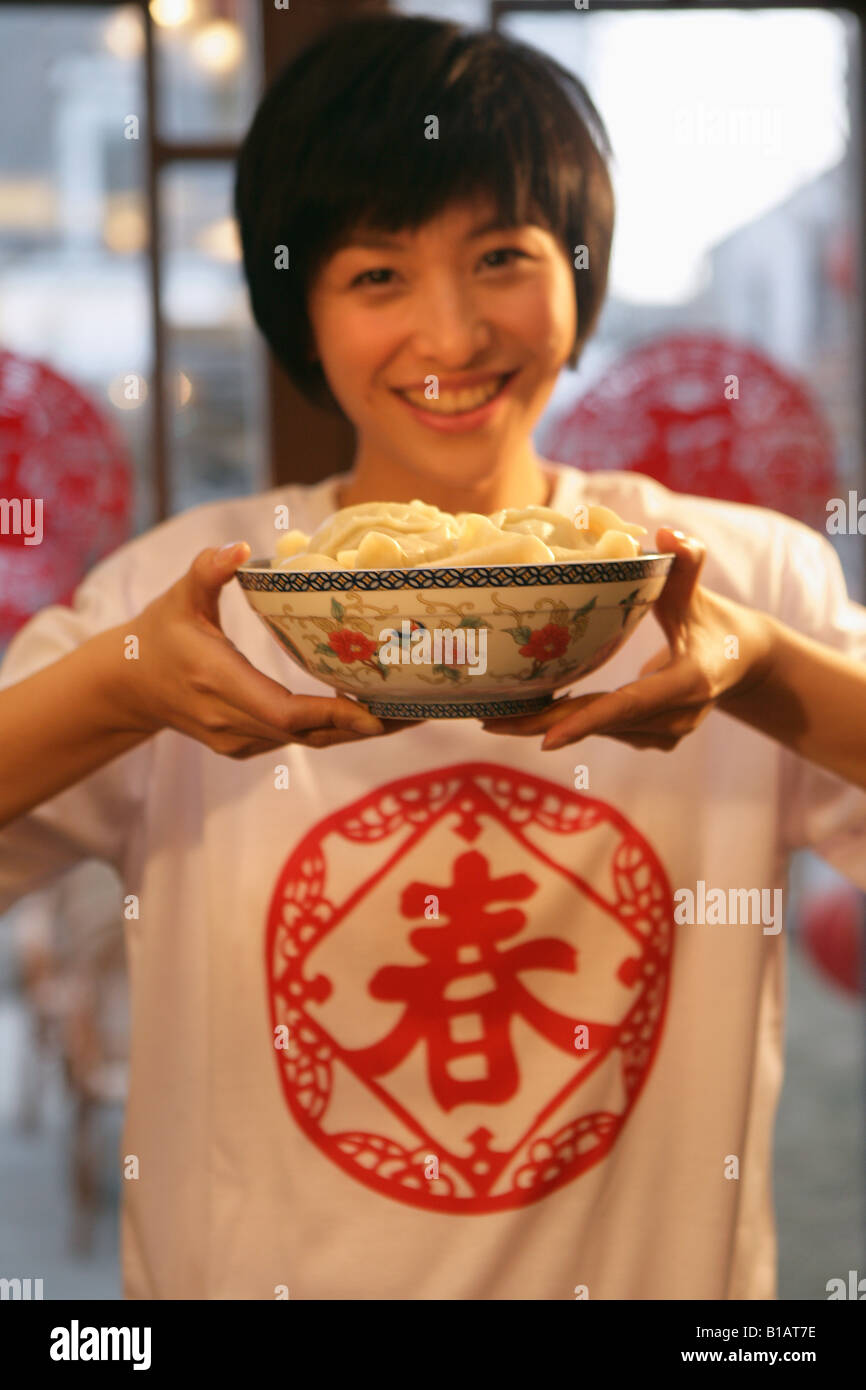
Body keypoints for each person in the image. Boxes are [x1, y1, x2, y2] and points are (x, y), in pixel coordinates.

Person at [0, 14, 864, 1300]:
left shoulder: (725, 583)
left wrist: (768, 674)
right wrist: (117, 684)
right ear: (299, 309)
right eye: (376, 276)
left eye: (501, 256)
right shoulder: (190, 598)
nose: (452, 337)